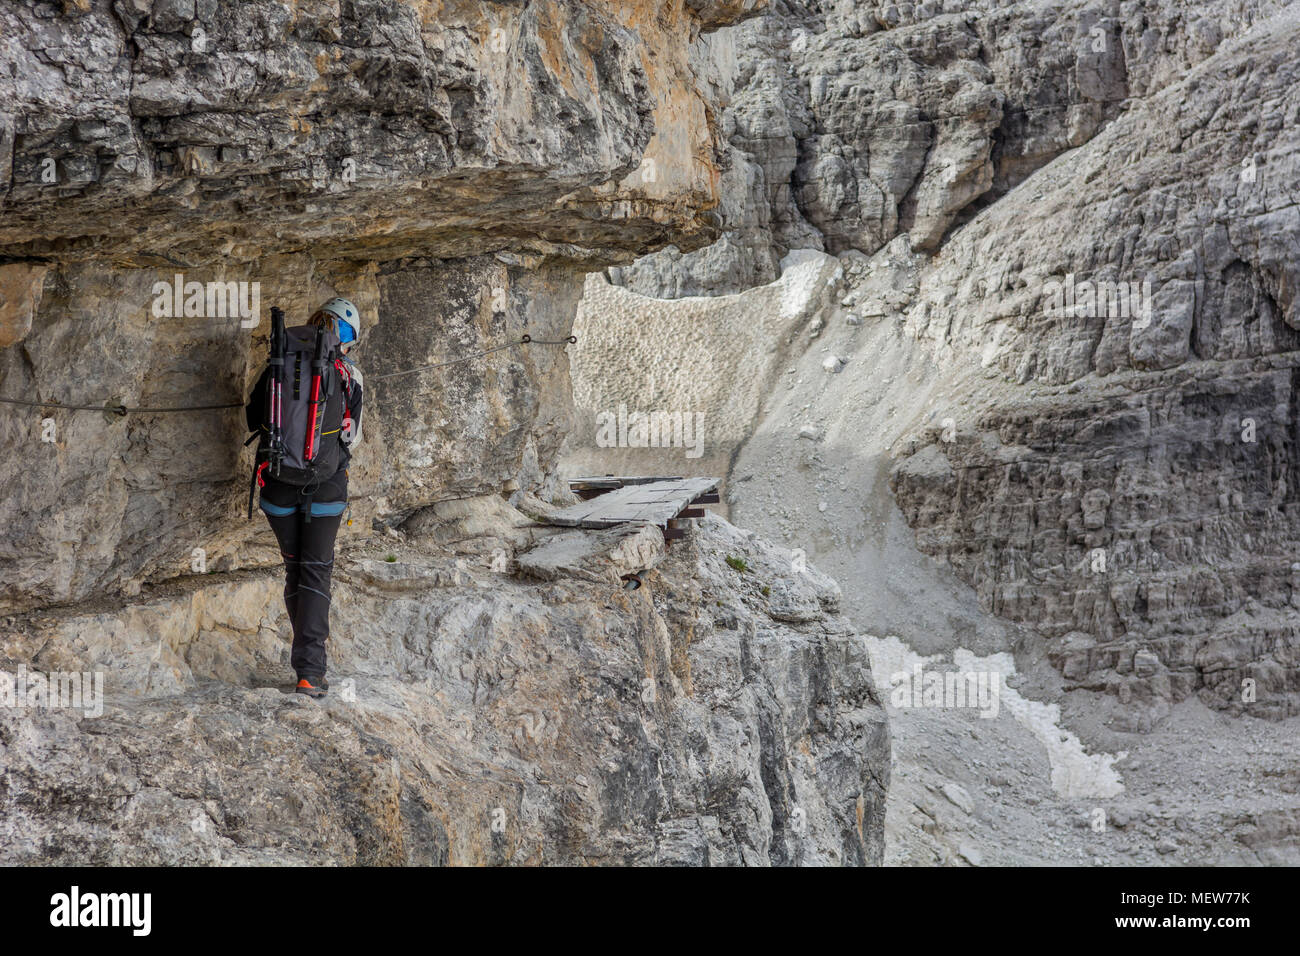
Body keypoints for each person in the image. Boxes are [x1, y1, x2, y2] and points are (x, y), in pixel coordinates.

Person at [246, 297, 364, 698]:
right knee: (315, 571)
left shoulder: (279, 364)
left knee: (296, 570)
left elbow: (253, 419)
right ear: (346, 340)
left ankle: (307, 666)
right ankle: (310, 672)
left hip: (277, 486)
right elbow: (351, 437)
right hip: (326, 489)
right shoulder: (349, 375)